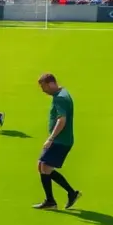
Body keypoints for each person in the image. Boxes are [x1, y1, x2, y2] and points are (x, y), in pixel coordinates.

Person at [34, 73, 81, 210]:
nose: (43, 90)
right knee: (42, 166)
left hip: (61, 140)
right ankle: (68, 195)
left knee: (44, 167)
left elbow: (62, 120)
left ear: (50, 83)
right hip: (61, 139)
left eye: (43, 87)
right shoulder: (62, 93)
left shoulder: (60, 98)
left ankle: (53, 201)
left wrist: (51, 138)